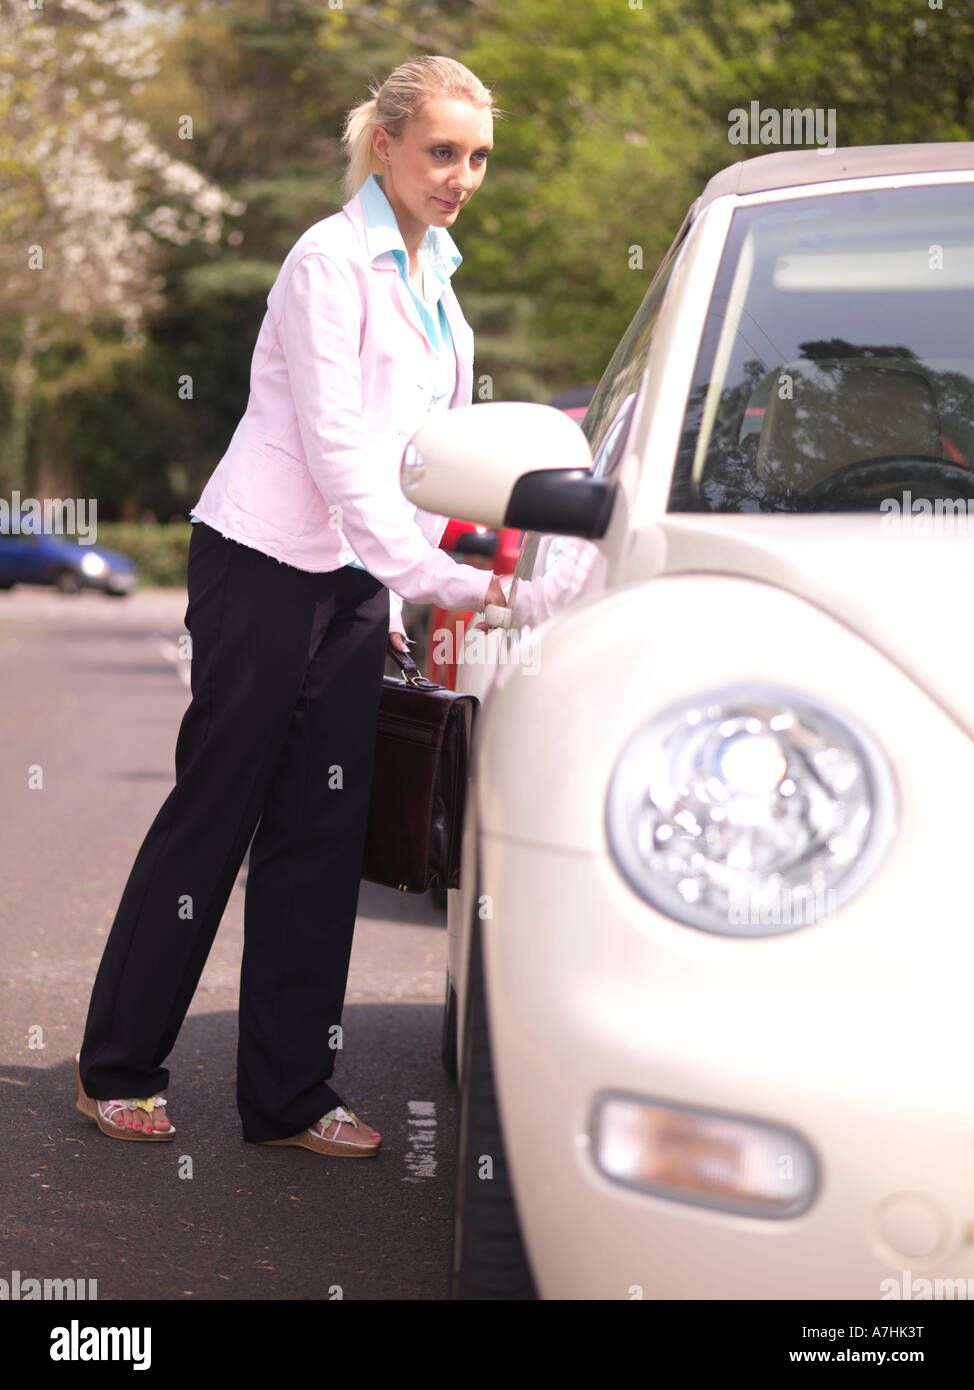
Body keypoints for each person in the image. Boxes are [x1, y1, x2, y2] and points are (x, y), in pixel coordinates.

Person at [75, 55, 509, 1157]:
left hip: (358, 583)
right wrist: (432, 576)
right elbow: (335, 452)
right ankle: (117, 1066)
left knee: (321, 831)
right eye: (441, 152)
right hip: (261, 560)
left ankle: (289, 1095)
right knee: (216, 809)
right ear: (386, 146)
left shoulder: (442, 286)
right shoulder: (326, 259)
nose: (460, 175)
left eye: (476, 157)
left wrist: (416, 578)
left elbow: (417, 461)